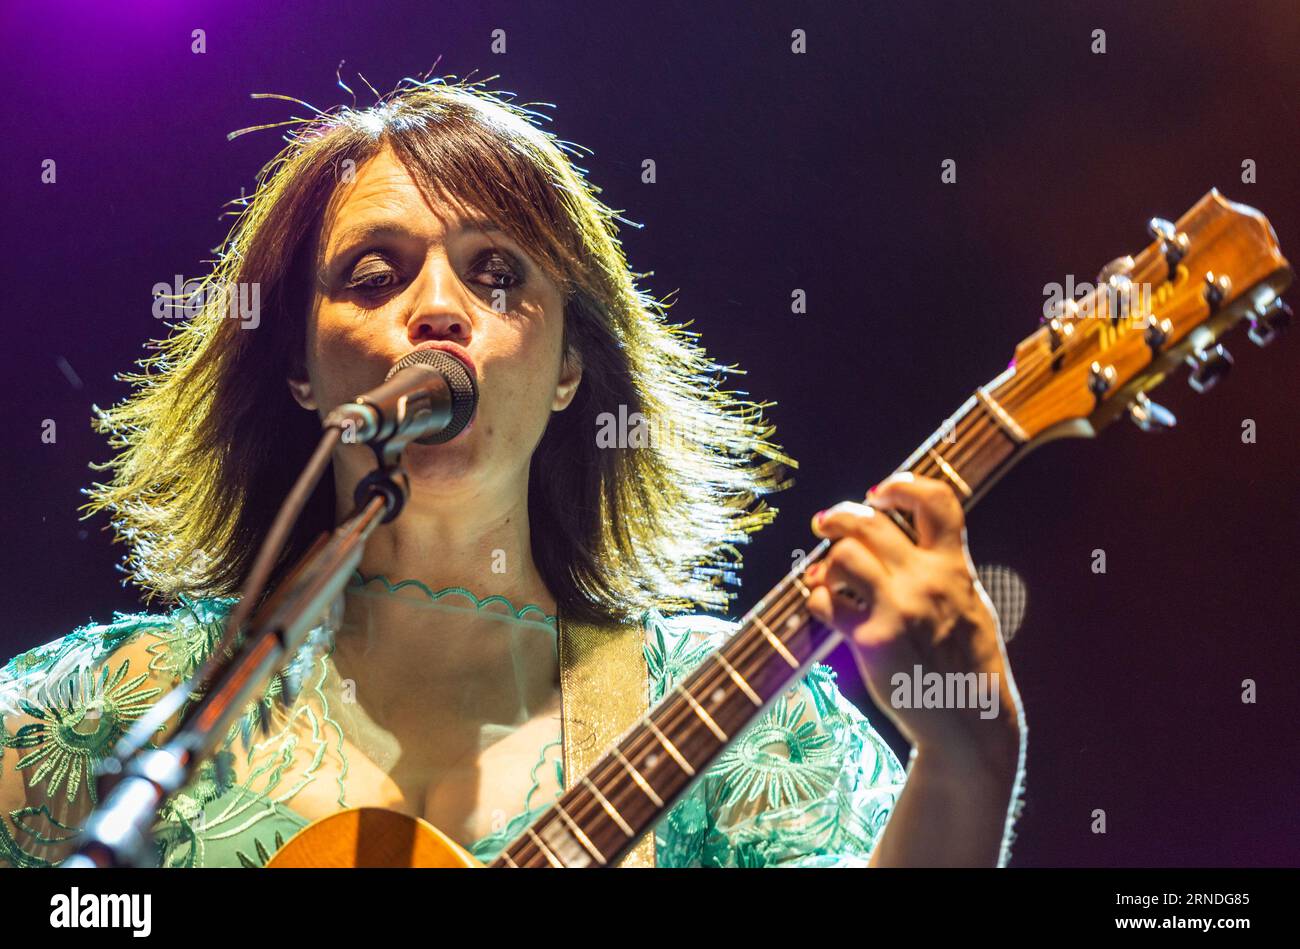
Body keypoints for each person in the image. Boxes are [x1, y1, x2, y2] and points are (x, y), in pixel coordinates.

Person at [0, 76, 1025, 868]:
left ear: (570, 367)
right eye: (374, 273)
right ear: (300, 373)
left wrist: (967, 763)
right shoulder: (119, 708)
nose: (437, 307)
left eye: (497, 275)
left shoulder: (729, 723)